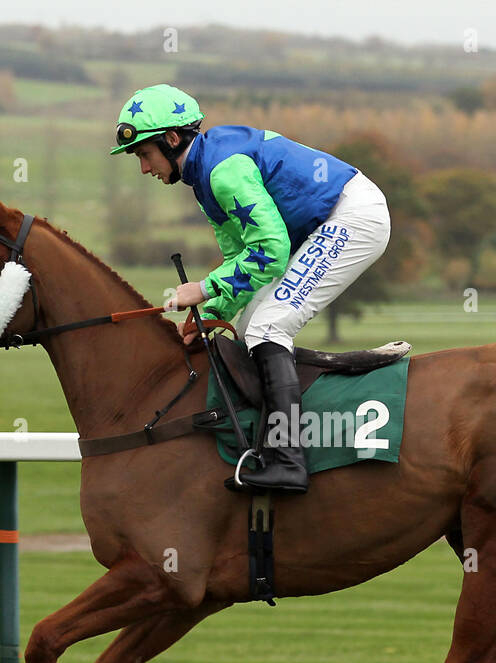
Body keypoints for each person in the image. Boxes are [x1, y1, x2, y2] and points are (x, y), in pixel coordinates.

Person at [111, 84, 391, 495]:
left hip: (352, 219)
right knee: (247, 332)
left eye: (144, 155)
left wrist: (203, 290)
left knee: (267, 329)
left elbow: (271, 252)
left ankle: (288, 461)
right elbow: (242, 261)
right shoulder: (204, 175)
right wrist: (207, 316)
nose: (144, 168)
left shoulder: (223, 172)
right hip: (324, 224)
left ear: (172, 140)